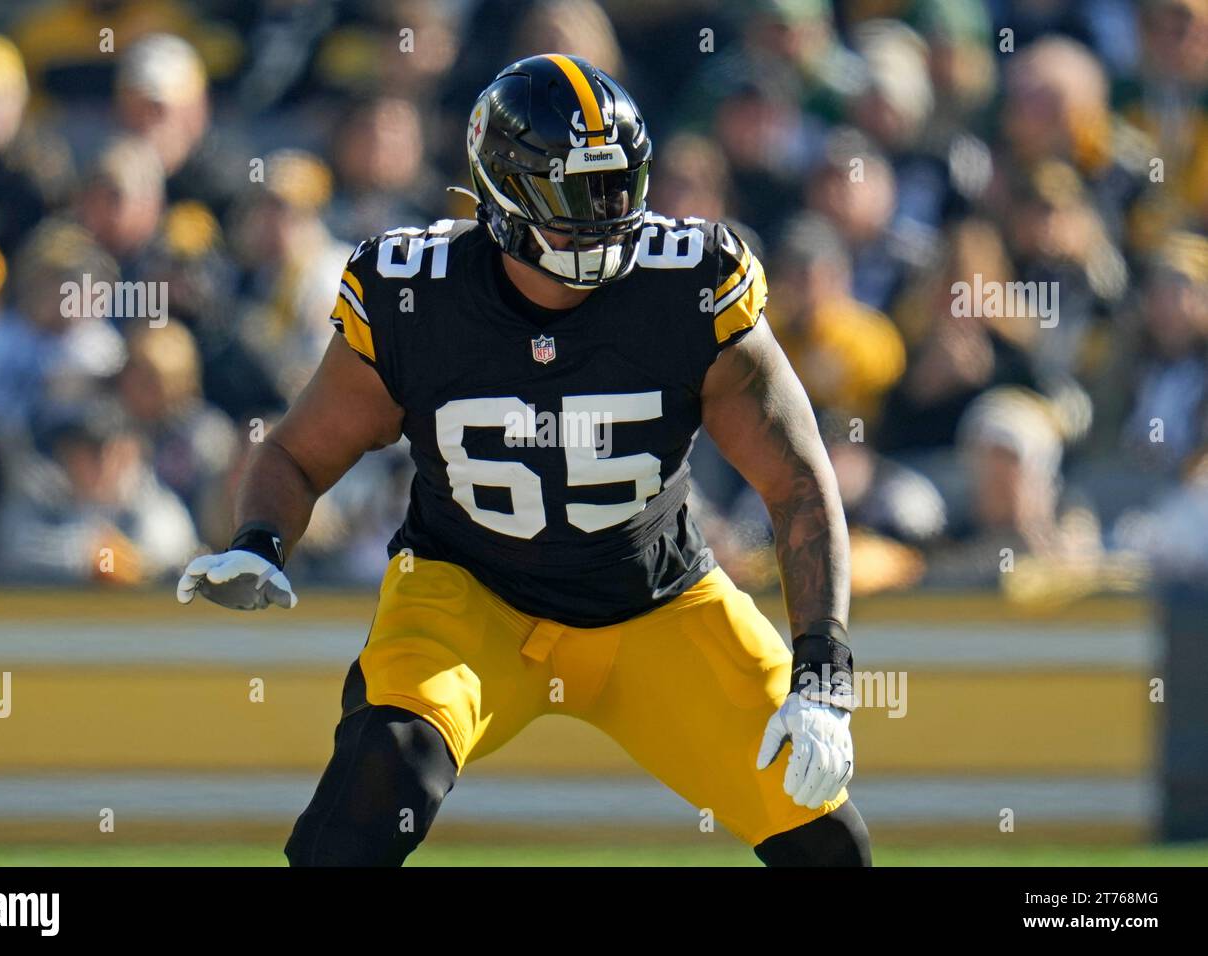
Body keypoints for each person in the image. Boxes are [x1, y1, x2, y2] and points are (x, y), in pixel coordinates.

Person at [178, 54, 868, 867]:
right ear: (504, 193)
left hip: (658, 603)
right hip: (469, 599)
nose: (607, 214)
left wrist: (822, 670)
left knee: (827, 844)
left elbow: (797, 482)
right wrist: (259, 538)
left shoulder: (690, 285)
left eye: (617, 186)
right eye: (577, 192)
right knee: (379, 775)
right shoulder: (414, 296)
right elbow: (296, 454)